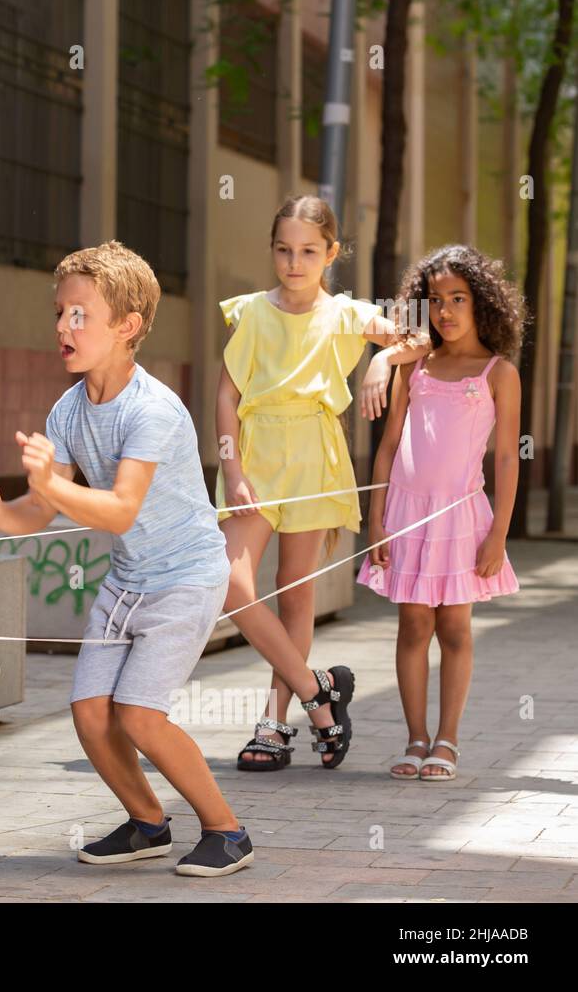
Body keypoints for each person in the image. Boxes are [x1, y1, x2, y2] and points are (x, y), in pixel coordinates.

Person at [0, 242, 252, 876]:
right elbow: (40, 514)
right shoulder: (68, 410)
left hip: (185, 578)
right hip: (128, 579)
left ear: (128, 327)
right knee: (91, 714)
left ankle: (228, 831)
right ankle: (148, 823)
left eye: (80, 315)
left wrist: (49, 484)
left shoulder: (154, 409)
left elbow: (118, 509)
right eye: (60, 313)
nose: (64, 327)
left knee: (139, 716)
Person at [218, 195, 429, 771]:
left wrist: (383, 361)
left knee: (295, 591)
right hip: (257, 456)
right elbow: (227, 395)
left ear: (331, 253)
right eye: (284, 249)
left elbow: (421, 338)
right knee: (230, 581)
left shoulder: (347, 314)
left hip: (315, 455)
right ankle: (317, 691)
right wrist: (233, 469)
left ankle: (271, 722)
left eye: (309, 251)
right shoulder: (253, 313)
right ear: (272, 251)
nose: (294, 261)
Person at [358, 245, 522, 782]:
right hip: (405, 514)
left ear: (483, 305)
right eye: (435, 300)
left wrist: (498, 531)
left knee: (454, 627)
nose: (446, 311)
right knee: (412, 625)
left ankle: (447, 739)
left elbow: (504, 457)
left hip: (461, 517)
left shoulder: (498, 373)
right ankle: (415, 737)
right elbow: (386, 449)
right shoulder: (417, 367)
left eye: (458, 299)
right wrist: (376, 519)